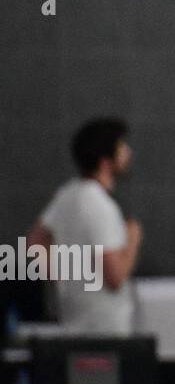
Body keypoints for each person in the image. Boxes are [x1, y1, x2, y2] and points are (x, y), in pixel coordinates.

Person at [26, 118, 141, 335]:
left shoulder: (68, 194)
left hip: (73, 322)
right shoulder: (100, 206)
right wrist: (133, 239)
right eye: (122, 147)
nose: (129, 153)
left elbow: (35, 241)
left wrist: (66, 278)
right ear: (106, 161)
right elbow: (115, 277)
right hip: (105, 330)